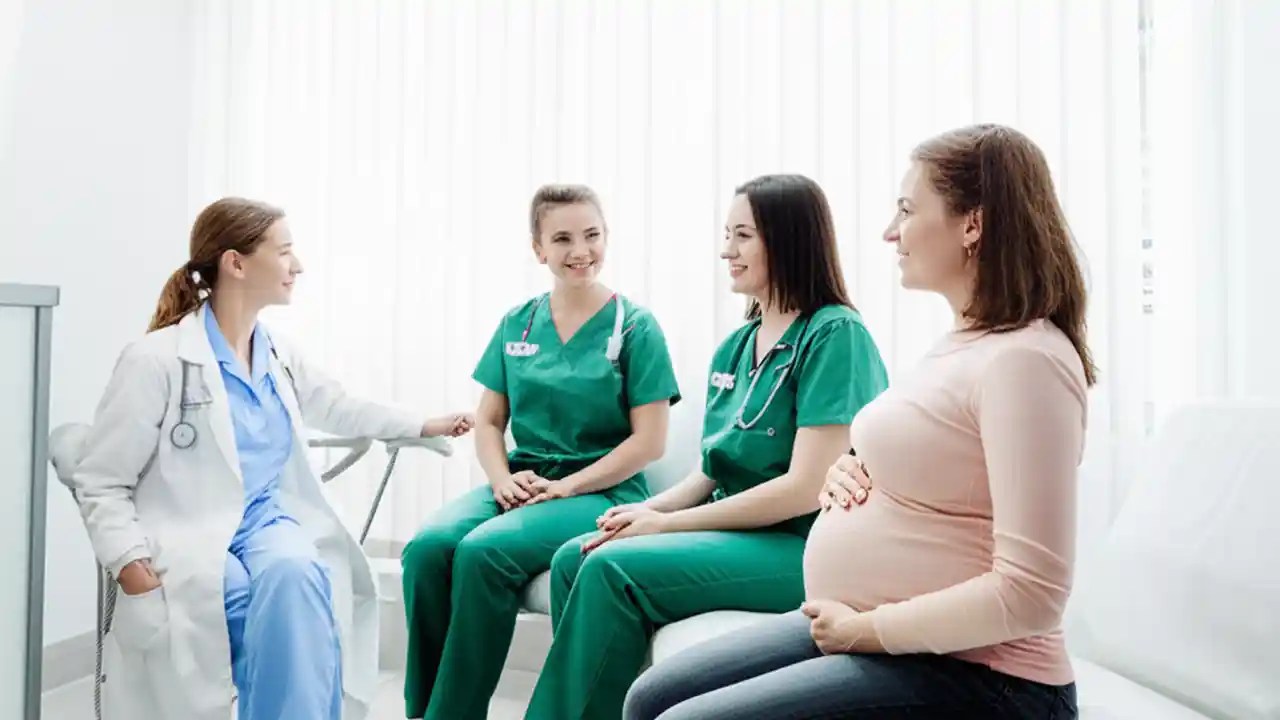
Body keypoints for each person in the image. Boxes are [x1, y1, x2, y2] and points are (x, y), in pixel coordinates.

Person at [623, 124, 1094, 720]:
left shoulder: (1027, 362)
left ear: (972, 224)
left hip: (983, 676)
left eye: (906, 209)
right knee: (650, 697)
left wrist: (866, 631)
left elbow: (1034, 595)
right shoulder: (965, 343)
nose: (889, 232)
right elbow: (939, 462)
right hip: (876, 629)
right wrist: (850, 474)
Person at [69, 197, 473, 720]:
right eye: (284, 252)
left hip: (263, 520)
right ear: (236, 263)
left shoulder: (277, 351)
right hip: (187, 529)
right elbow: (101, 479)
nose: (297, 265)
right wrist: (128, 564)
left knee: (299, 576)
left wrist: (422, 424)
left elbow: (338, 406)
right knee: (236, 602)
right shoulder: (156, 361)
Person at [523, 174, 890, 720]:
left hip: (804, 544)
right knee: (575, 556)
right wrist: (642, 512)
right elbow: (712, 472)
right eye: (727, 234)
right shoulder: (737, 346)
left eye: (742, 235)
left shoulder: (836, 335)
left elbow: (807, 487)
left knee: (612, 570)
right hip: (738, 530)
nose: (727, 250)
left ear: (787, 239)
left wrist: (667, 526)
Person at [398, 184, 682, 720]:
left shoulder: (636, 327)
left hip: (598, 488)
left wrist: (566, 487)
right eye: (563, 238)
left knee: (485, 553)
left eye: (592, 235)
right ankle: (423, 710)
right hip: (523, 481)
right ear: (538, 249)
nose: (581, 250)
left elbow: (650, 441)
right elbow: (488, 420)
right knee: (427, 548)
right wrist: (501, 478)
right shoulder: (518, 323)